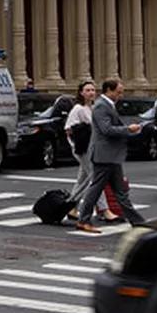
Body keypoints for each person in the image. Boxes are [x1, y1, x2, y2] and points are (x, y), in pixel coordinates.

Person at [73, 77, 148, 233]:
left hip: (111, 155)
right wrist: (129, 129)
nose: (120, 95)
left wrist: (130, 131)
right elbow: (106, 130)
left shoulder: (108, 105)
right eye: (118, 92)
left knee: (120, 191)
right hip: (103, 155)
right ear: (109, 90)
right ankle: (83, 220)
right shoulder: (101, 106)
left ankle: (137, 221)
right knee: (95, 189)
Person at [65, 81, 109, 224]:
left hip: (93, 148)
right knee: (96, 177)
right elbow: (69, 129)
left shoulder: (94, 108)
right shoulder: (78, 109)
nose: (91, 92)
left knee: (83, 178)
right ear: (81, 93)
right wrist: (78, 141)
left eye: (93, 90)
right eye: (87, 90)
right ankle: (104, 209)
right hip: (82, 149)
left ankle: (72, 207)